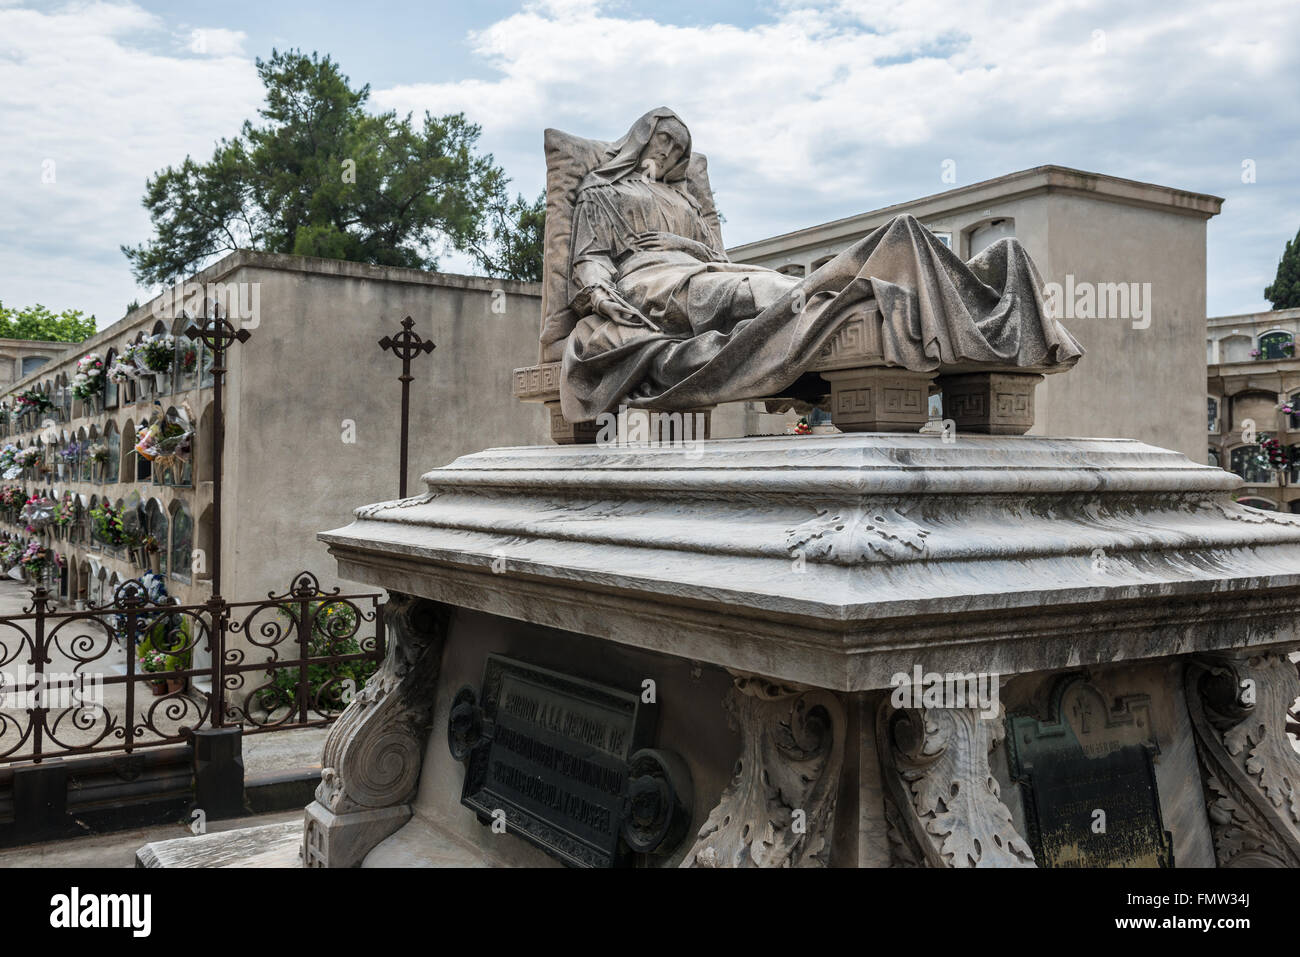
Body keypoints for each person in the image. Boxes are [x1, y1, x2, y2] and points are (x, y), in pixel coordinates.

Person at [558, 107, 1083, 423]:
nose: (668, 151)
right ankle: (864, 288)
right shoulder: (604, 192)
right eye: (662, 138)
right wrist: (605, 300)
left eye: (678, 147)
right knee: (761, 296)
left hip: (704, 270)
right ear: (641, 137)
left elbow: (717, 257)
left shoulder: (688, 205)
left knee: (773, 285)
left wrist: (698, 238)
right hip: (652, 280)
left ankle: (883, 284)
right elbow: (589, 263)